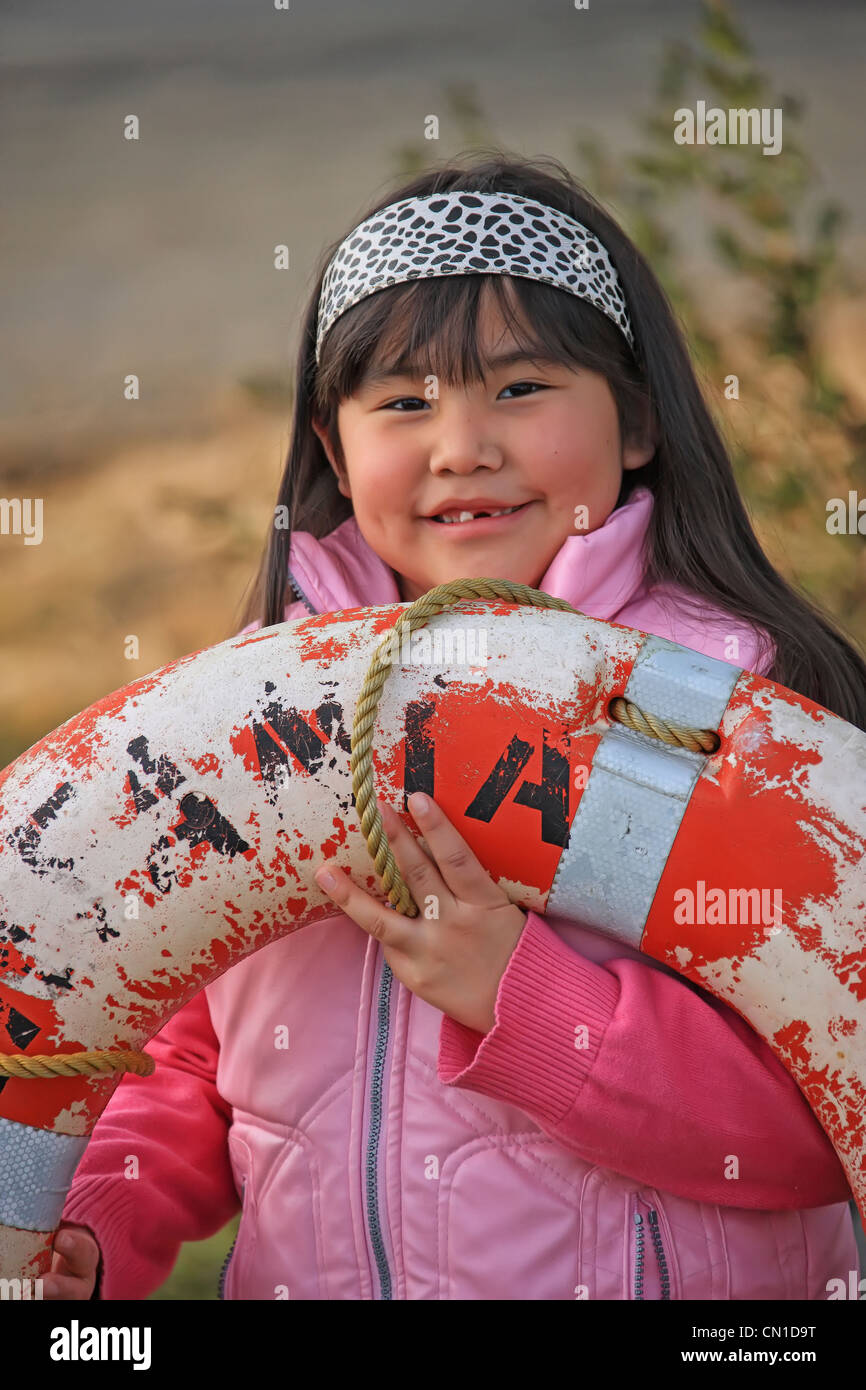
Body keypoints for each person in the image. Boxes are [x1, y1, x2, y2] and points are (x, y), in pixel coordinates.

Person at [47, 153, 866, 1301]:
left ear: (635, 421)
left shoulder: (721, 708)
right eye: (403, 403)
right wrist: (98, 1218)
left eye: (520, 389)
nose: (461, 446)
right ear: (333, 451)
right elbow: (189, 1058)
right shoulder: (267, 721)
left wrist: (524, 999)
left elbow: (813, 1115)